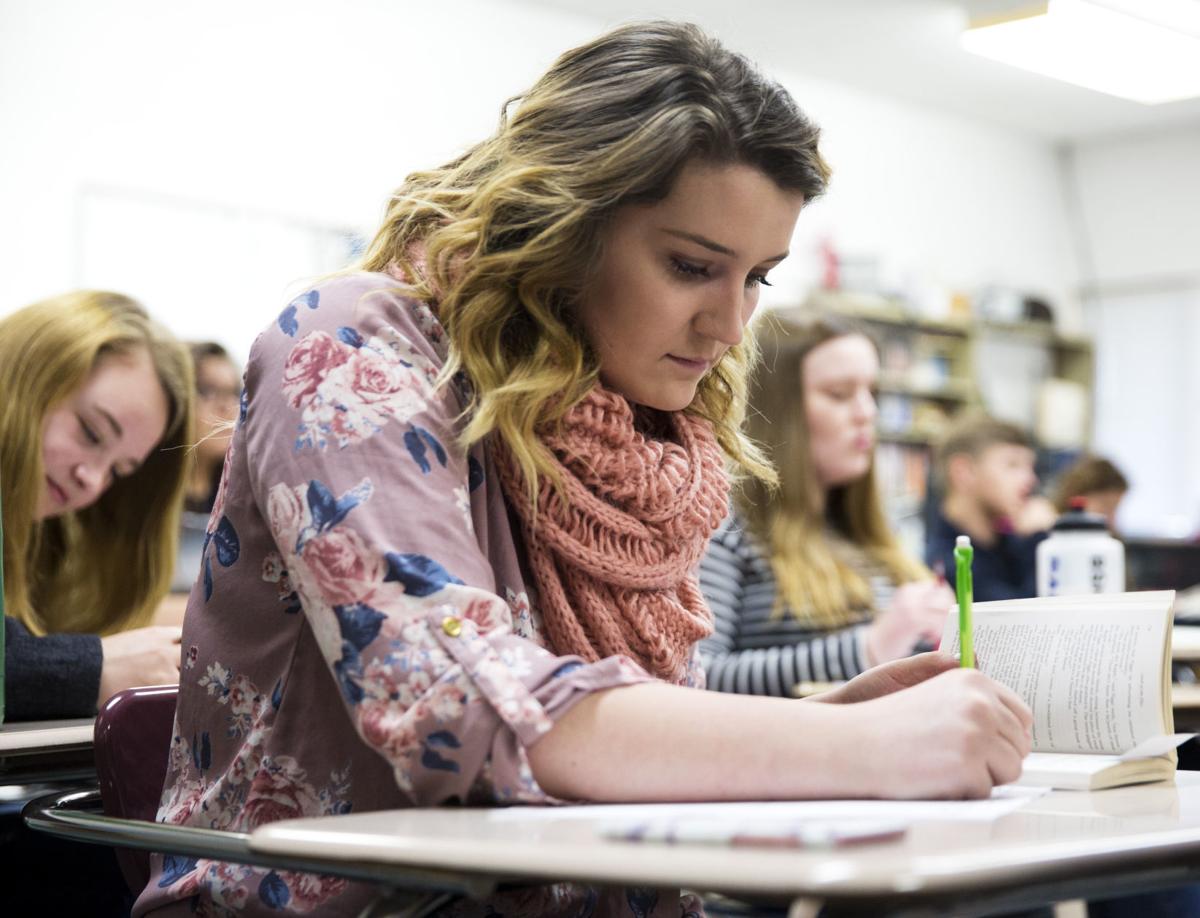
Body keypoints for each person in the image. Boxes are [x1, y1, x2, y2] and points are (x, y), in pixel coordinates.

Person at [139, 22, 1033, 918]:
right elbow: (457, 705)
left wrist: (839, 723)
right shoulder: (348, 346)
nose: (729, 327)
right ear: (564, 221)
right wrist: (853, 747)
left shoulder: (638, 427)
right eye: (692, 266)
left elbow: (622, 731)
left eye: (759, 276)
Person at [700, 312, 954, 695]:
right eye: (839, 394)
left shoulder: (867, 531)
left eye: (872, 393)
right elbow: (696, 676)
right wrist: (869, 647)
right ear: (780, 411)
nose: (867, 413)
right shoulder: (726, 523)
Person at [1, 290, 192, 721]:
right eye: (90, 431)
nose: (92, 480)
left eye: (119, 471)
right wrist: (95, 666)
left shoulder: (46, 543)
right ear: (27, 372)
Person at [925, 414, 1047, 602]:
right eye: (1012, 465)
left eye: (1030, 467)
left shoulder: (1008, 544)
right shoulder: (947, 564)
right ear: (963, 472)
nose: (1031, 480)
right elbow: (1023, 622)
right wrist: (1038, 538)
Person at [185, 341, 241, 514]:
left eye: (235, 393)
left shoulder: (241, 500)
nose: (227, 407)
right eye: (208, 391)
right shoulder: (149, 496)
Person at [1051, 454, 1128, 532]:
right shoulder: (1048, 529)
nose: (1111, 519)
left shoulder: (1110, 539)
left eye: (1114, 509)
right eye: (1105, 506)